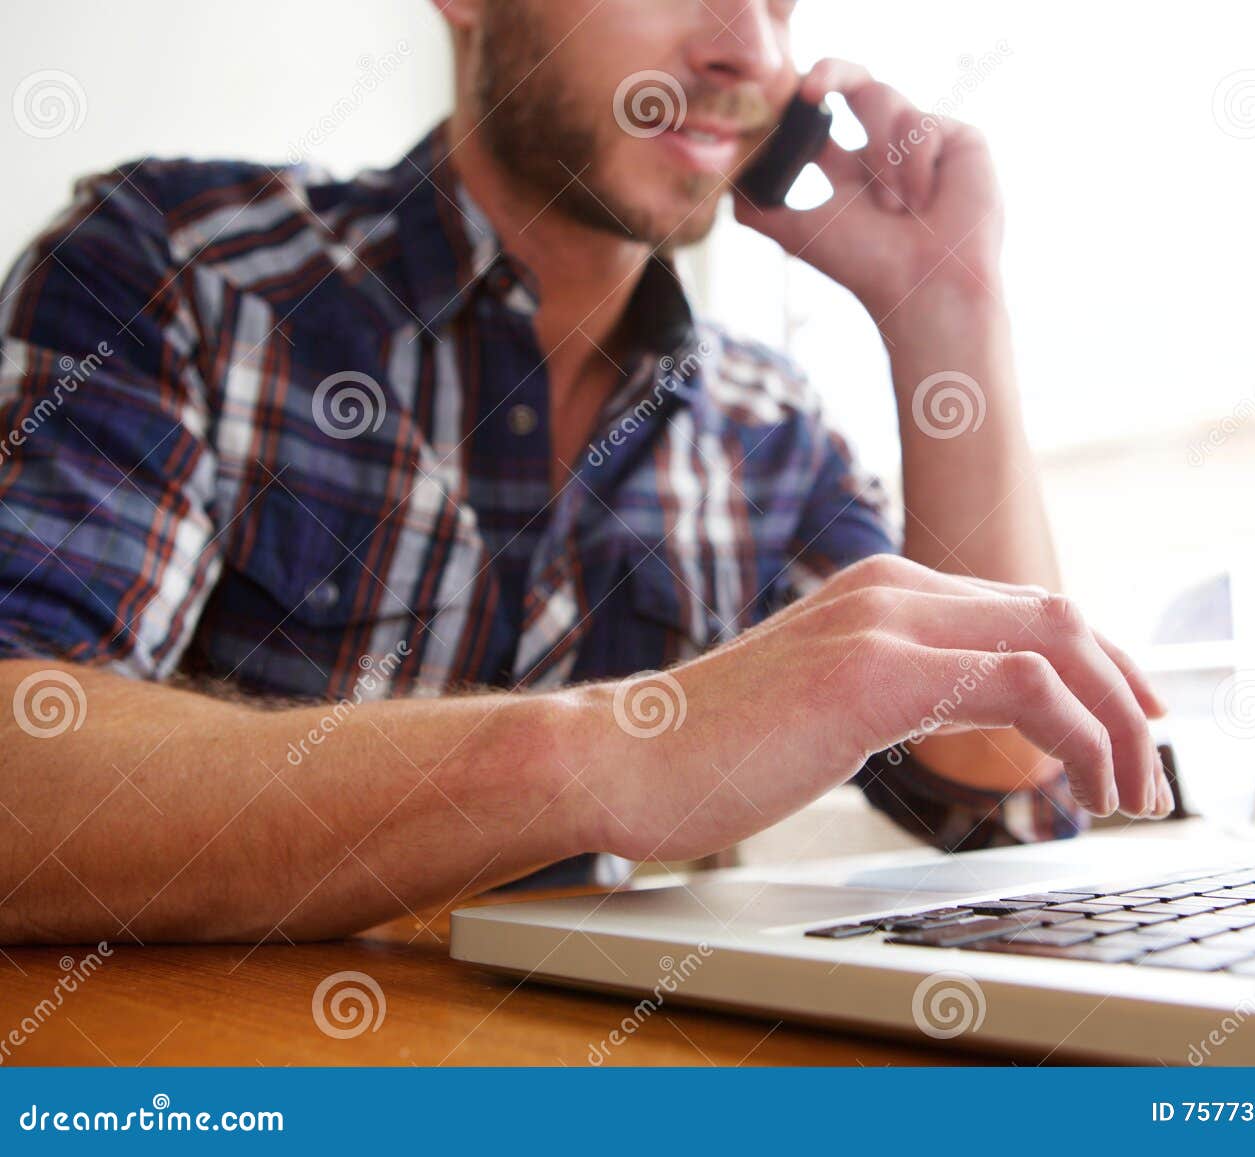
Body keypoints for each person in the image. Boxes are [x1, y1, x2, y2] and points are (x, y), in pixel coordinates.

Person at [0, 0, 1169, 945]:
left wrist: (947, 313)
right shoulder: (179, 269)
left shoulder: (764, 425)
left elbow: (1002, 780)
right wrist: (619, 746)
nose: (747, 49)